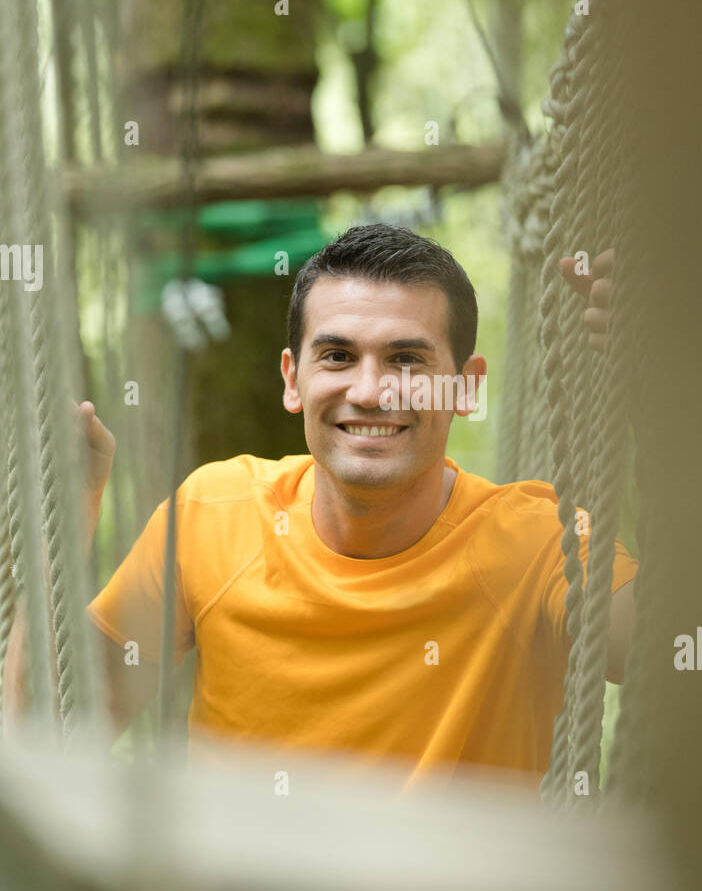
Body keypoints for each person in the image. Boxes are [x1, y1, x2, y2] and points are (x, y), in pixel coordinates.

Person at [7, 225, 636, 791]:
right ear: (292, 378)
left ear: (467, 387)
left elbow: (670, 655)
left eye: (406, 359)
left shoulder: (535, 544)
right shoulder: (212, 514)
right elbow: (43, 730)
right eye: (337, 356)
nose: (368, 391)